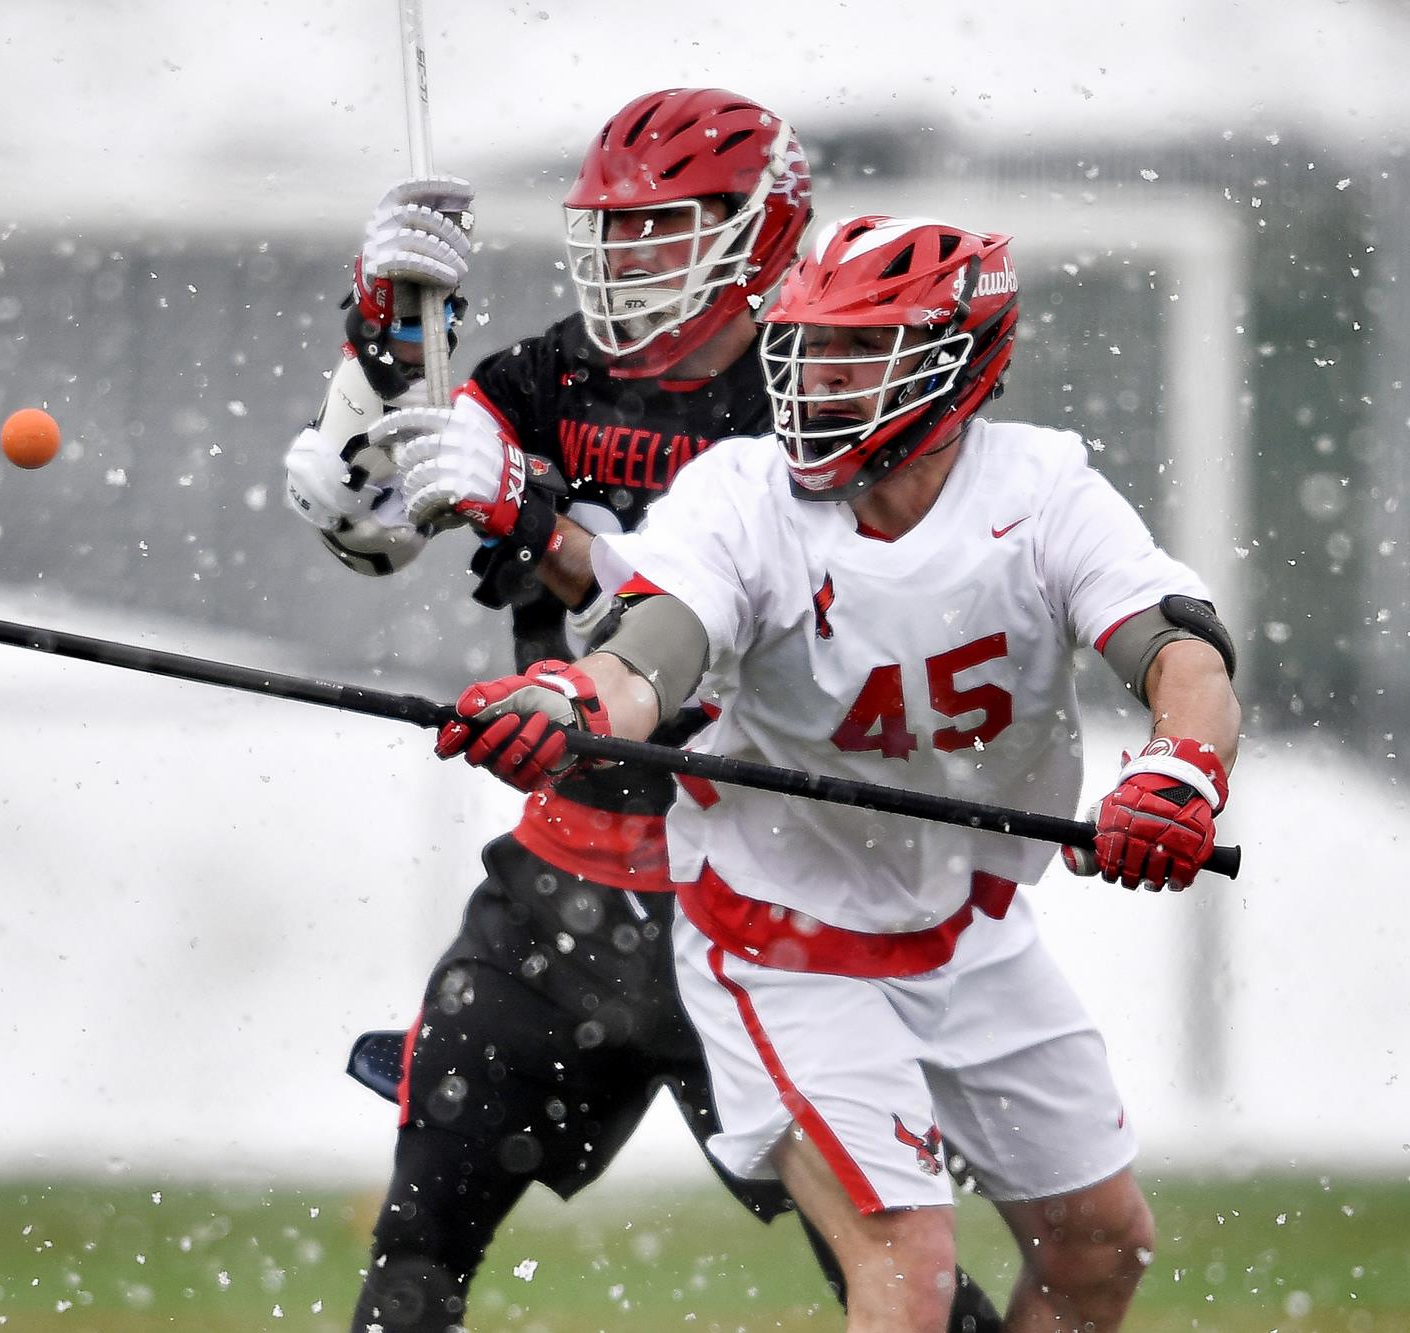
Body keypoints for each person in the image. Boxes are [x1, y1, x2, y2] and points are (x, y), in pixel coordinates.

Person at [421, 212, 1244, 1330]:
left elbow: (1178, 648)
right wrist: (564, 699)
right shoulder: (738, 493)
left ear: (962, 362)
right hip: (777, 940)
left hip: (966, 925)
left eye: (859, 349)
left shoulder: (1043, 489)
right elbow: (653, 646)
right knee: (904, 1271)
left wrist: (1178, 773)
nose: (815, 378)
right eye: (805, 346)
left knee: (1100, 1251)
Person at [285, 91, 1003, 1332]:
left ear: (761, 228)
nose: (630, 262)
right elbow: (361, 526)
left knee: (894, 1277)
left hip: (759, 906)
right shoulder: (543, 376)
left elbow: (750, 640)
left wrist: (545, 528)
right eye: (613, 232)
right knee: (411, 1259)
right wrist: (385, 344)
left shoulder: (822, 409)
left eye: (665, 229)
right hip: (557, 898)